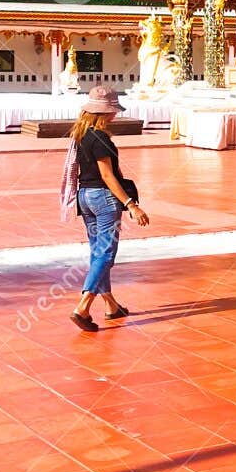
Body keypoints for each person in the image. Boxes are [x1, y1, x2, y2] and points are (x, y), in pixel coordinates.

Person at [64, 87, 149, 332]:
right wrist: (131, 205)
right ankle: (83, 306)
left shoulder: (81, 136)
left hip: (85, 197)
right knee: (105, 255)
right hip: (103, 199)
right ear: (106, 114)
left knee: (97, 253)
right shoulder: (101, 138)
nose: (114, 116)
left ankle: (111, 305)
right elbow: (107, 175)